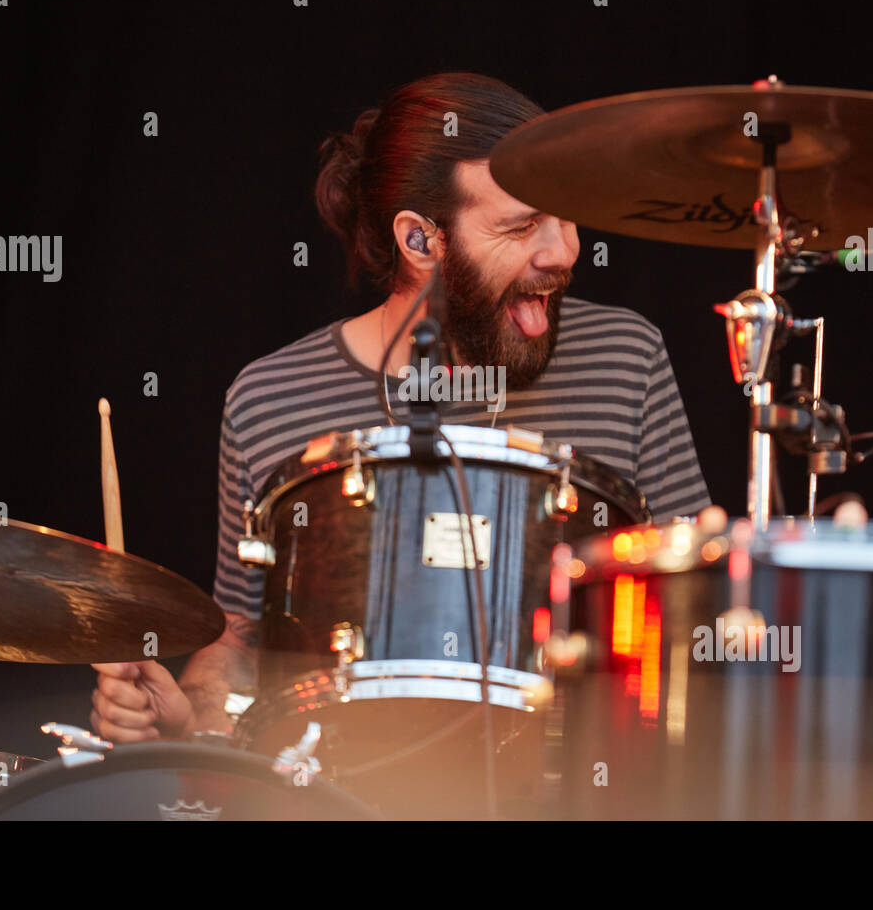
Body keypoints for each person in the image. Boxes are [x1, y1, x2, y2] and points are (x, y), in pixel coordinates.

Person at [90, 72, 711, 742]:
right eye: (522, 224)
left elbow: (700, 604)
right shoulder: (271, 398)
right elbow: (242, 641)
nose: (564, 249)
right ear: (420, 241)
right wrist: (190, 717)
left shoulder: (626, 356)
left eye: (563, 212)